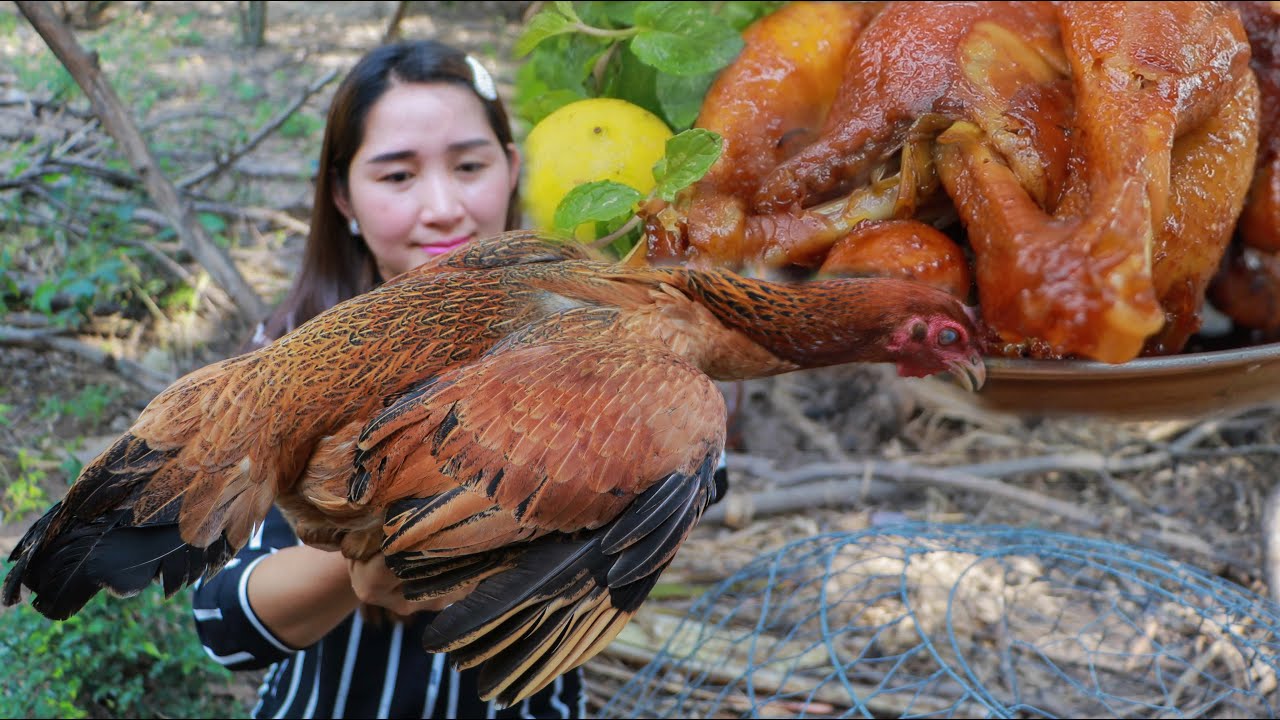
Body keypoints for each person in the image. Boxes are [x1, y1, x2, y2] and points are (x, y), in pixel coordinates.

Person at [190, 40, 584, 719]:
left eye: (469, 165)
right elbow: (223, 624)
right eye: (398, 177)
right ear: (344, 194)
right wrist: (359, 563)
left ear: (511, 169)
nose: (443, 208)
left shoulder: (591, 341)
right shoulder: (289, 359)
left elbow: (685, 488)